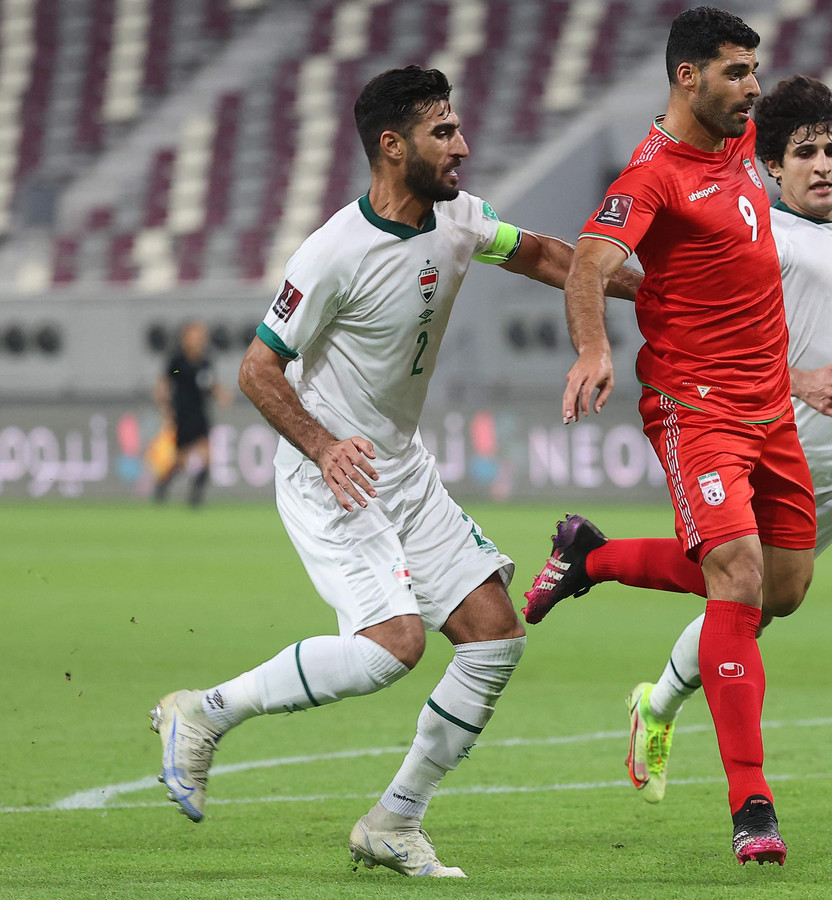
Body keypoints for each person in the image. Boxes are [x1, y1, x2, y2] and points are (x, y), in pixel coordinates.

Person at [148, 65, 639, 879]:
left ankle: (394, 820)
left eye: (456, 127)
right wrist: (324, 445)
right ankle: (201, 714)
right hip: (330, 474)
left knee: (493, 636)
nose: (463, 145)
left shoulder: (459, 217)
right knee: (392, 645)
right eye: (442, 132)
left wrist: (646, 291)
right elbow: (257, 370)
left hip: (400, 469)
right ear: (391, 145)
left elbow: (549, 256)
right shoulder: (333, 252)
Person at [525, 76, 832, 810]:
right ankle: (656, 701)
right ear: (772, 166)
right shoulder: (761, 236)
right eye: (805, 153)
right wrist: (795, 379)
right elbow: (703, 308)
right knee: (748, 605)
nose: (823, 165)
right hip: (797, 453)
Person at [542, 7, 814, 867]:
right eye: (737, 72)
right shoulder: (652, 174)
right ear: (687, 77)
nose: (753, 88)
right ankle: (751, 807)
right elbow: (589, 258)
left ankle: (589, 557)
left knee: (782, 589)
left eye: (756, 70)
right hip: (693, 409)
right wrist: (594, 346)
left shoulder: (741, 139)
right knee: (734, 577)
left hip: (772, 406)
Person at [152, 320, 231, 506]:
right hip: (183, 415)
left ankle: (195, 497)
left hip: (200, 414)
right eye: (195, 336)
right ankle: (162, 484)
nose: (199, 340)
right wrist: (165, 408)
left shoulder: (205, 362)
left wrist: (220, 393)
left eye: (201, 336)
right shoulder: (178, 362)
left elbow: (209, 382)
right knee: (180, 461)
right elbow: (166, 382)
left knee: (207, 458)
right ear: (185, 338)